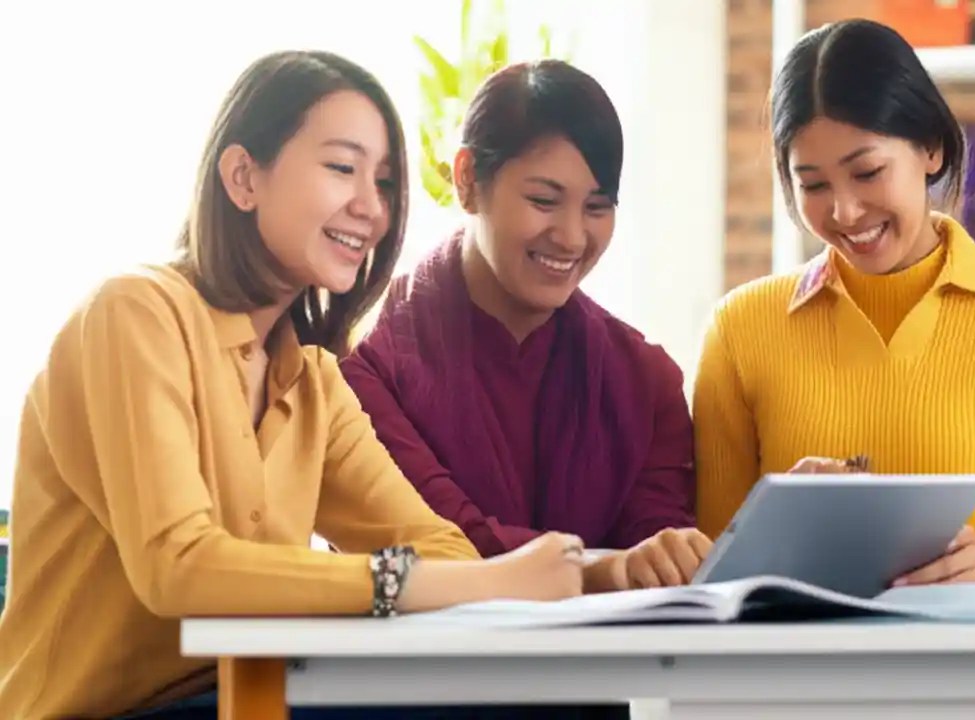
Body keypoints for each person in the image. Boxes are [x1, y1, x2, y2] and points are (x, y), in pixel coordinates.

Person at [0, 50, 590, 720]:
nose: (371, 208)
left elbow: (438, 548)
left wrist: (479, 579)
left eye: (385, 182)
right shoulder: (135, 314)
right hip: (110, 711)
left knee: (566, 697)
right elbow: (181, 567)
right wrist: (459, 582)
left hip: (252, 692)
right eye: (342, 167)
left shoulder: (314, 382)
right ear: (243, 177)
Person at [692, 19, 975, 586]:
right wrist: (776, 523)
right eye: (813, 185)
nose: (844, 211)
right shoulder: (740, 329)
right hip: (798, 645)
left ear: (930, 148)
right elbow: (713, 560)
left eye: (867, 172)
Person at [340, 59, 712, 597]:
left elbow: (658, 555)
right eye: (543, 201)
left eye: (597, 207)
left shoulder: (645, 380)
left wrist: (666, 556)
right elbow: (444, 544)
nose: (571, 237)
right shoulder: (366, 369)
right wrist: (604, 572)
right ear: (468, 180)